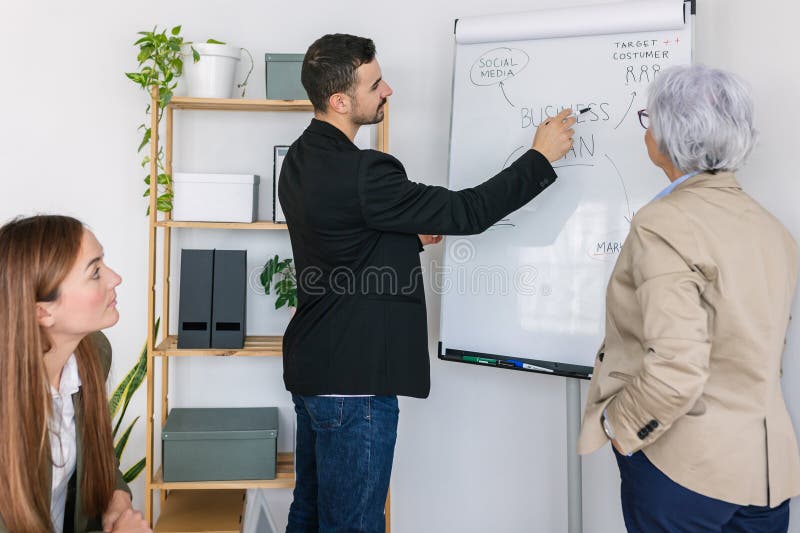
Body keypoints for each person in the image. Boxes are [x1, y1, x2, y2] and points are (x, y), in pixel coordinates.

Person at [278, 33, 574, 532]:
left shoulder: (299, 158)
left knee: (308, 513)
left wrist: (406, 239)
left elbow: (340, 249)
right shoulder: (365, 173)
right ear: (340, 100)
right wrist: (538, 158)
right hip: (355, 388)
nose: (388, 90)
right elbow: (467, 211)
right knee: (352, 525)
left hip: (313, 371)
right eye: (375, 84)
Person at [578, 64, 800, 532]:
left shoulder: (664, 222)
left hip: (685, 470)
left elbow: (677, 362)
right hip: (764, 472)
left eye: (648, 118)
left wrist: (621, 429)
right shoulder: (772, 229)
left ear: (668, 135)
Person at [0, 215, 151, 533]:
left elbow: (98, 456)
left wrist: (116, 497)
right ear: (42, 311)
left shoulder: (92, 353)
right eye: (95, 272)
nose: (115, 278)